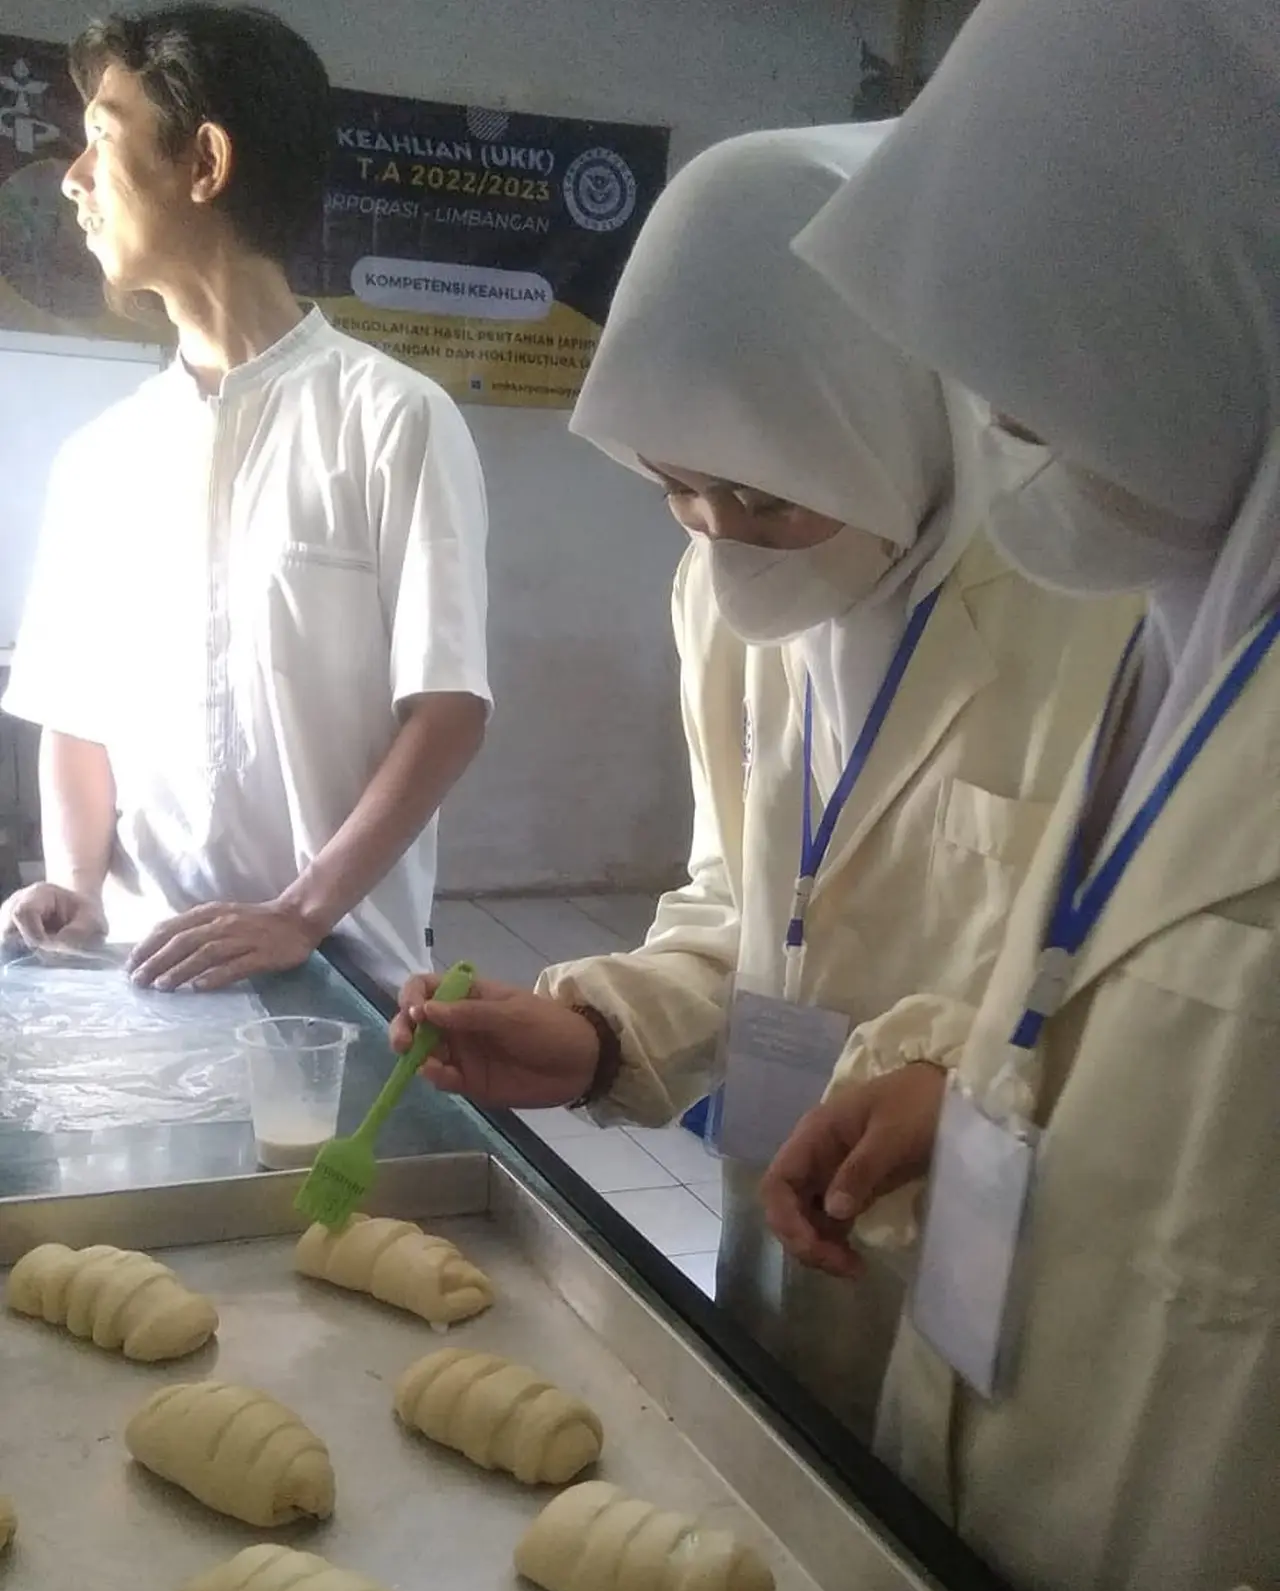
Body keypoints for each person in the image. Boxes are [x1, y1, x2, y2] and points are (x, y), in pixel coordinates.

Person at [390, 124, 1136, 1437]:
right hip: (778, 1245)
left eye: (768, 499)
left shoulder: (1096, 622)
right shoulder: (726, 605)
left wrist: (960, 1081)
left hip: (986, 1280)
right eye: (678, 489)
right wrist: (598, 1030)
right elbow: (742, 902)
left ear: (895, 419)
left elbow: (1150, 1014)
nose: (726, 546)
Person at [760, 1, 1280, 1591]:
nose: (999, 434)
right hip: (979, 1534)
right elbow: (1122, 1010)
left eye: (1041, 371)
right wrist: (965, 1090)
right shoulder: (1176, 625)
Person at [1, 5, 490, 993]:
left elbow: (445, 710)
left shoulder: (394, 418)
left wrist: (298, 913)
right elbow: (75, 708)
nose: (75, 177)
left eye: (102, 136)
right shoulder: (101, 458)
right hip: (142, 961)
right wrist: (75, 879)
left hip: (339, 967)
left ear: (205, 161)